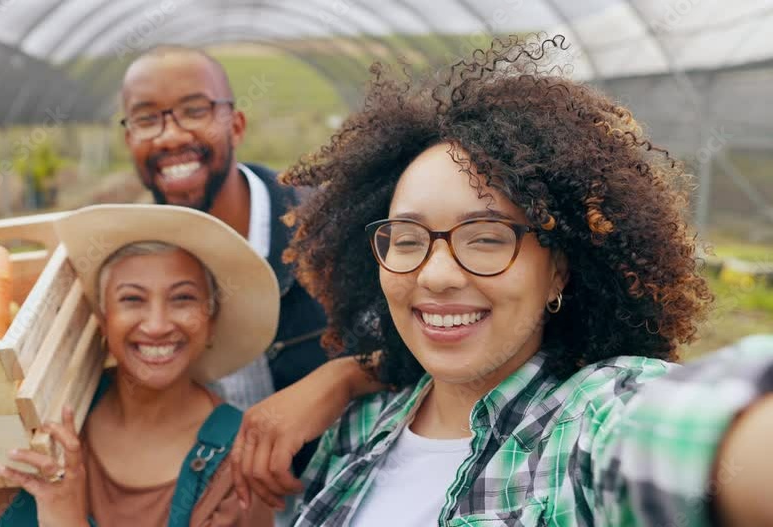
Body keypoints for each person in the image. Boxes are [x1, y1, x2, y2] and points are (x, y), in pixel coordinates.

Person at [231, 35, 773, 526]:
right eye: (407, 238)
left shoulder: (585, 425)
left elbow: (691, 436)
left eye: (486, 237)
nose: (436, 274)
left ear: (558, 268)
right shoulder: (353, 430)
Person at [0, 45, 333, 484]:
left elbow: (400, 360)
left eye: (193, 110)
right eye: (146, 118)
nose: (169, 135)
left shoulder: (327, 233)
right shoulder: (122, 264)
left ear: (236, 123)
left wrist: (329, 384)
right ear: (128, 139)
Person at [0, 204, 278, 526]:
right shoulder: (45, 405)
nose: (158, 325)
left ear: (210, 321)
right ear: (102, 317)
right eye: (132, 299)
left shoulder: (238, 462)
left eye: (183, 298)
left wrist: (67, 516)